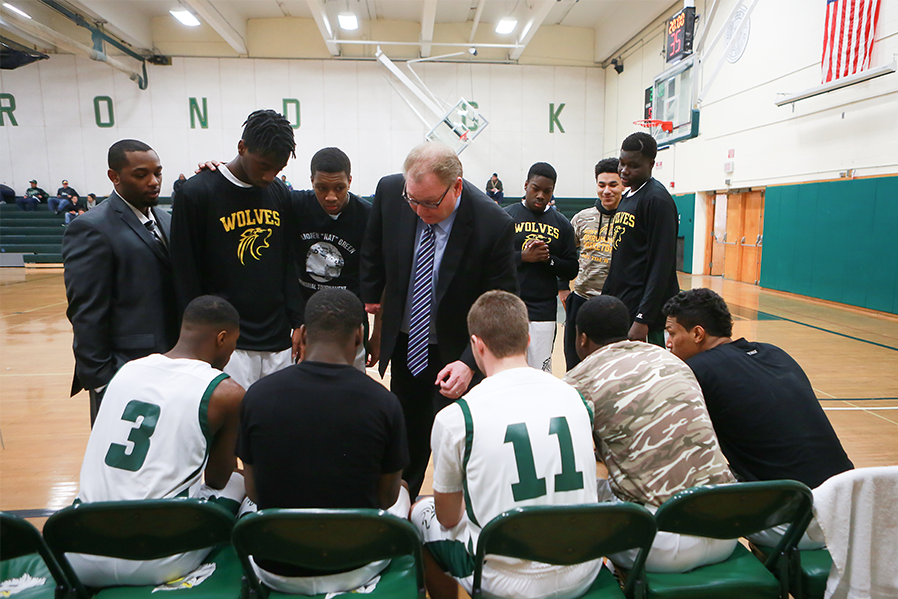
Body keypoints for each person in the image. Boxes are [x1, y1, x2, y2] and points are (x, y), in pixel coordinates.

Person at [410, 291, 599, 599]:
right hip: (582, 568)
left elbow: (447, 518)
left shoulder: (457, 417)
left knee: (420, 513)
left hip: (506, 580)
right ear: (527, 339)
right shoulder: (577, 398)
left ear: (476, 345)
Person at [360, 141, 518, 498]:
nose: (418, 210)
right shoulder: (390, 191)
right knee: (407, 432)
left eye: (430, 203)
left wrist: (468, 363)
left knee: (459, 438)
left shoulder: (492, 224)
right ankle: (402, 505)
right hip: (406, 340)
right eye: (412, 200)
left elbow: (499, 303)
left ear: (457, 186)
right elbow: (372, 245)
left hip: (455, 348)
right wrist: (370, 297)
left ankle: (462, 517)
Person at [237, 288, 409, 595]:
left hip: (274, 566)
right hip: (358, 564)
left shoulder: (257, 396)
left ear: (302, 335)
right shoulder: (385, 403)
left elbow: (253, 490)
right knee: (406, 493)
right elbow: (386, 499)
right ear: (359, 336)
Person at [68, 295, 246, 587]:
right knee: (239, 481)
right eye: (234, 343)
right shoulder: (226, 392)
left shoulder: (126, 371)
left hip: (80, 549)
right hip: (159, 557)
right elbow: (216, 479)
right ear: (222, 338)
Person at [663, 288, 853, 548]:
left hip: (795, 523)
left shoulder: (695, 371)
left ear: (697, 334)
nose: (668, 343)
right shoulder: (775, 352)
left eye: (672, 333)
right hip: (849, 509)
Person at [564, 294, 737, 573]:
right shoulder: (670, 359)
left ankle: (599, 576)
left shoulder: (576, 381)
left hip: (658, 545)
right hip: (728, 527)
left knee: (579, 490)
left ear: (582, 339)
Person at [171, 109, 304, 391]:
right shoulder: (196, 192)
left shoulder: (278, 192)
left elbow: (287, 262)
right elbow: (185, 272)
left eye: (278, 169)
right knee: (232, 428)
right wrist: (196, 338)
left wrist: (297, 320)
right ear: (241, 147)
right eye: (263, 165)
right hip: (225, 340)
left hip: (277, 338)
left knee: (275, 425)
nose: (270, 176)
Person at [62, 139, 179, 426]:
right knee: (123, 466)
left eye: (158, 173)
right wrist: (102, 379)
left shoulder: (167, 220)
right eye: (141, 175)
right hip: (123, 371)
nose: (153, 182)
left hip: (171, 365)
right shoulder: (91, 228)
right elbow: (85, 311)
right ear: (114, 176)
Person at [291, 147, 380, 371]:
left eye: (339, 188)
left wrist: (378, 334)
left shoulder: (368, 217)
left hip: (349, 325)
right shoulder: (295, 205)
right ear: (311, 181)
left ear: (350, 181)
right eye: (321, 188)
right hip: (304, 323)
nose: (331, 196)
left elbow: (384, 280)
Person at [602, 132, 679, 346]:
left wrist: (644, 317)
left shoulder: (657, 200)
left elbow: (661, 264)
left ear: (651, 164)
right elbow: (621, 257)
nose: (624, 171)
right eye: (622, 163)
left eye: (633, 165)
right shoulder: (628, 197)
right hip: (624, 305)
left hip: (648, 316)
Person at [504, 162, 577, 372]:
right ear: (526, 185)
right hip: (510, 304)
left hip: (542, 309)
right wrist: (523, 257)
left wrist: (548, 259)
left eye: (547, 191)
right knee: (509, 369)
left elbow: (571, 268)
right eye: (535, 189)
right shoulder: (506, 217)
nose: (540, 196)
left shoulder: (562, 223)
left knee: (540, 371)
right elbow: (491, 260)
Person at [562, 157, 623, 370]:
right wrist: (562, 288)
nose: (607, 190)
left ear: (623, 185)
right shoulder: (582, 218)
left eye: (613, 185)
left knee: (611, 364)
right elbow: (566, 253)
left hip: (615, 302)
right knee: (574, 359)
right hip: (582, 299)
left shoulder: (629, 218)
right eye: (602, 184)